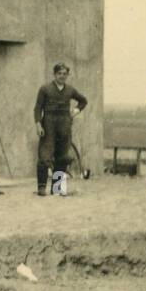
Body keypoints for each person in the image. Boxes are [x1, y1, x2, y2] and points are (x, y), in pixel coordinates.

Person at [34, 63, 88, 196]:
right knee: (45, 156)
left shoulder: (70, 90)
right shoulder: (45, 89)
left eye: (65, 74)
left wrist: (75, 110)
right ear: (54, 74)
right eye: (59, 73)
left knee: (62, 157)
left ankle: (57, 188)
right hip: (48, 125)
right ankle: (41, 188)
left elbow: (83, 101)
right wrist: (38, 125)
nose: (62, 76)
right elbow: (37, 108)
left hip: (64, 126)